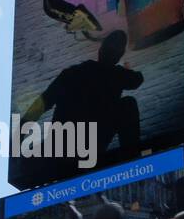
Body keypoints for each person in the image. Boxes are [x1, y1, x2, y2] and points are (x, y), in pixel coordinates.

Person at [22, 31, 143, 166]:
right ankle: (132, 160)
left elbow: (42, 104)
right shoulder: (118, 76)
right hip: (89, 149)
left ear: (101, 50)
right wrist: (125, 70)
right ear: (120, 55)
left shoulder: (71, 74)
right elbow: (137, 79)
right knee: (128, 104)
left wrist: (18, 138)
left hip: (60, 147)